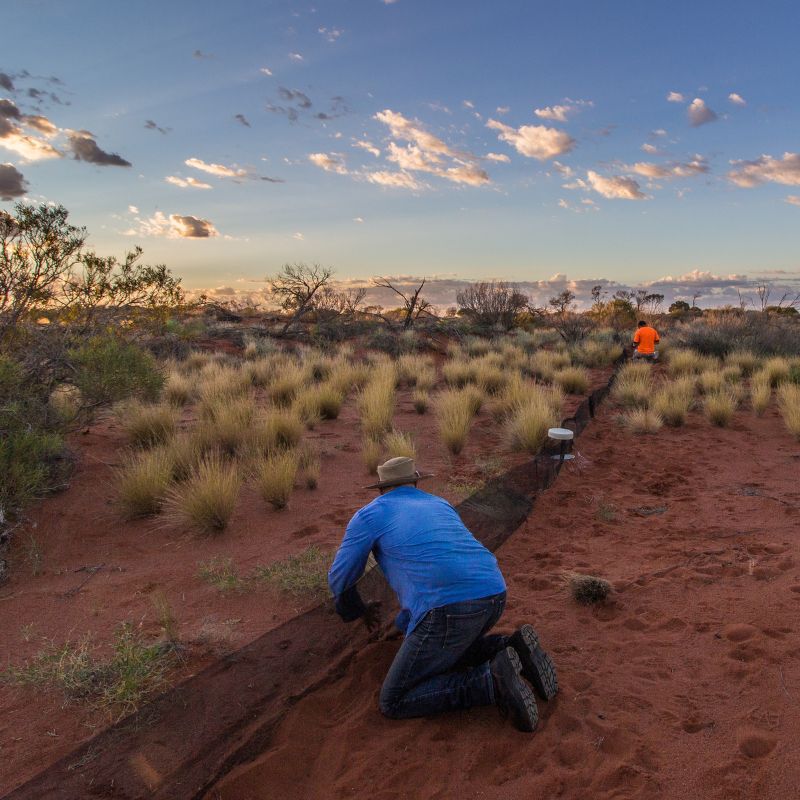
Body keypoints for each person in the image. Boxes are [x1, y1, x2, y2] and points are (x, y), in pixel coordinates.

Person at [328, 456, 558, 732]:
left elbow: (339, 580)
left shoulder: (369, 515)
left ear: (380, 489)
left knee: (394, 700)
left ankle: (489, 681)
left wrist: (356, 611)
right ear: (414, 482)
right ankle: (510, 647)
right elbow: (436, 568)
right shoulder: (438, 504)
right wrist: (403, 624)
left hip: (451, 609)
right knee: (446, 649)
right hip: (494, 592)